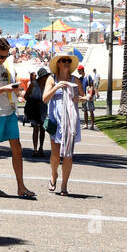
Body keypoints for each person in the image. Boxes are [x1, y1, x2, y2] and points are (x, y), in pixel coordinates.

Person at [0, 37, 37, 199]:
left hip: (10, 112)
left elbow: (13, 87)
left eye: (7, 56)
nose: (4, 59)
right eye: (2, 56)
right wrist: (3, 89)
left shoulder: (8, 66)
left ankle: (21, 187)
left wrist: (19, 93)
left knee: (17, 148)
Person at [43, 50, 83, 196]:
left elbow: (82, 97)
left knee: (68, 155)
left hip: (70, 122)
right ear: (58, 64)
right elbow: (45, 98)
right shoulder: (51, 79)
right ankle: (54, 174)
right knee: (55, 155)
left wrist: (78, 98)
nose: (66, 63)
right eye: (63, 60)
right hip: (55, 120)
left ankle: (64, 185)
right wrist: (57, 86)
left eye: (68, 61)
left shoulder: (75, 81)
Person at [24, 67, 49, 156]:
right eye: (45, 76)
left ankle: (41, 148)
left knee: (43, 129)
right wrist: (34, 100)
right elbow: (26, 96)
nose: (46, 78)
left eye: (47, 76)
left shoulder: (48, 85)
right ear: (41, 77)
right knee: (35, 128)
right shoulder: (33, 84)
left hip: (43, 109)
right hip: (34, 109)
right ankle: (35, 149)